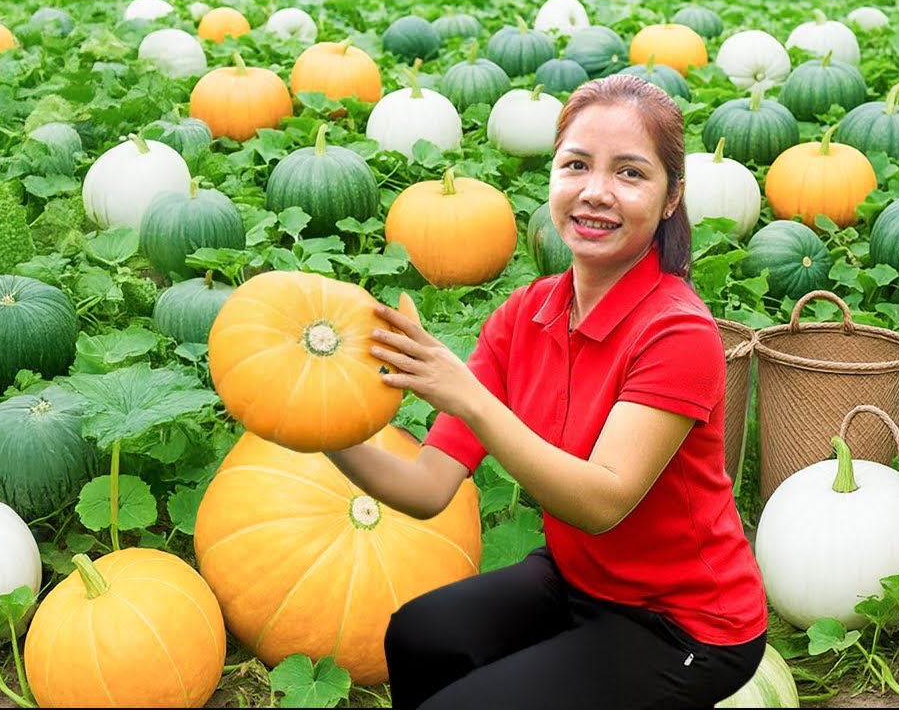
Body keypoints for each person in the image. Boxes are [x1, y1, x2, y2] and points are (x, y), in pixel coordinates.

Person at [324, 73, 768, 710]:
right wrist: (317, 427)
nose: (596, 192)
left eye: (630, 173)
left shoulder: (678, 332)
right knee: (421, 636)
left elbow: (603, 502)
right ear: (553, 176)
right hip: (581, 579)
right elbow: (426, 488)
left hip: (684, 624)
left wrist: (469, 398)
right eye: (577, 165)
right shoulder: (525, 314)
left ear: (672, 197)